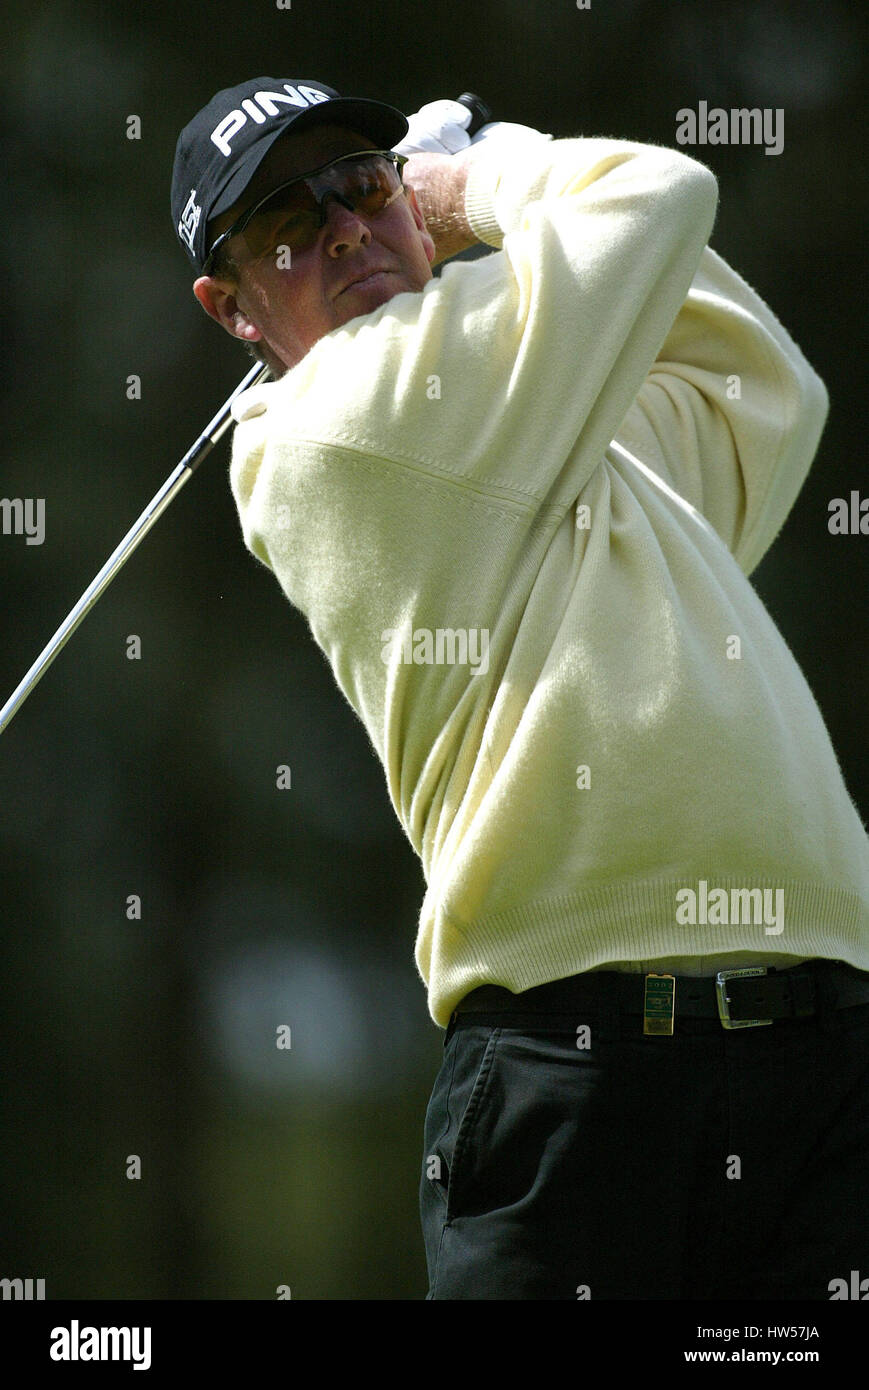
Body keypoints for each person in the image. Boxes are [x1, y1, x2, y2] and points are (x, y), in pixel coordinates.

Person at [171, 77, 869, 1300]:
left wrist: (492, 204)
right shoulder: (334, 425)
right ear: (231, 311)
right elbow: (659, 196)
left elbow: (754, 387)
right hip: (574, 1064)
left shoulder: (527, 422)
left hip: (816, 1048)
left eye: (360, 183)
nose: (341, 226)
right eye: (286, 222)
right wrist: (479, 180)